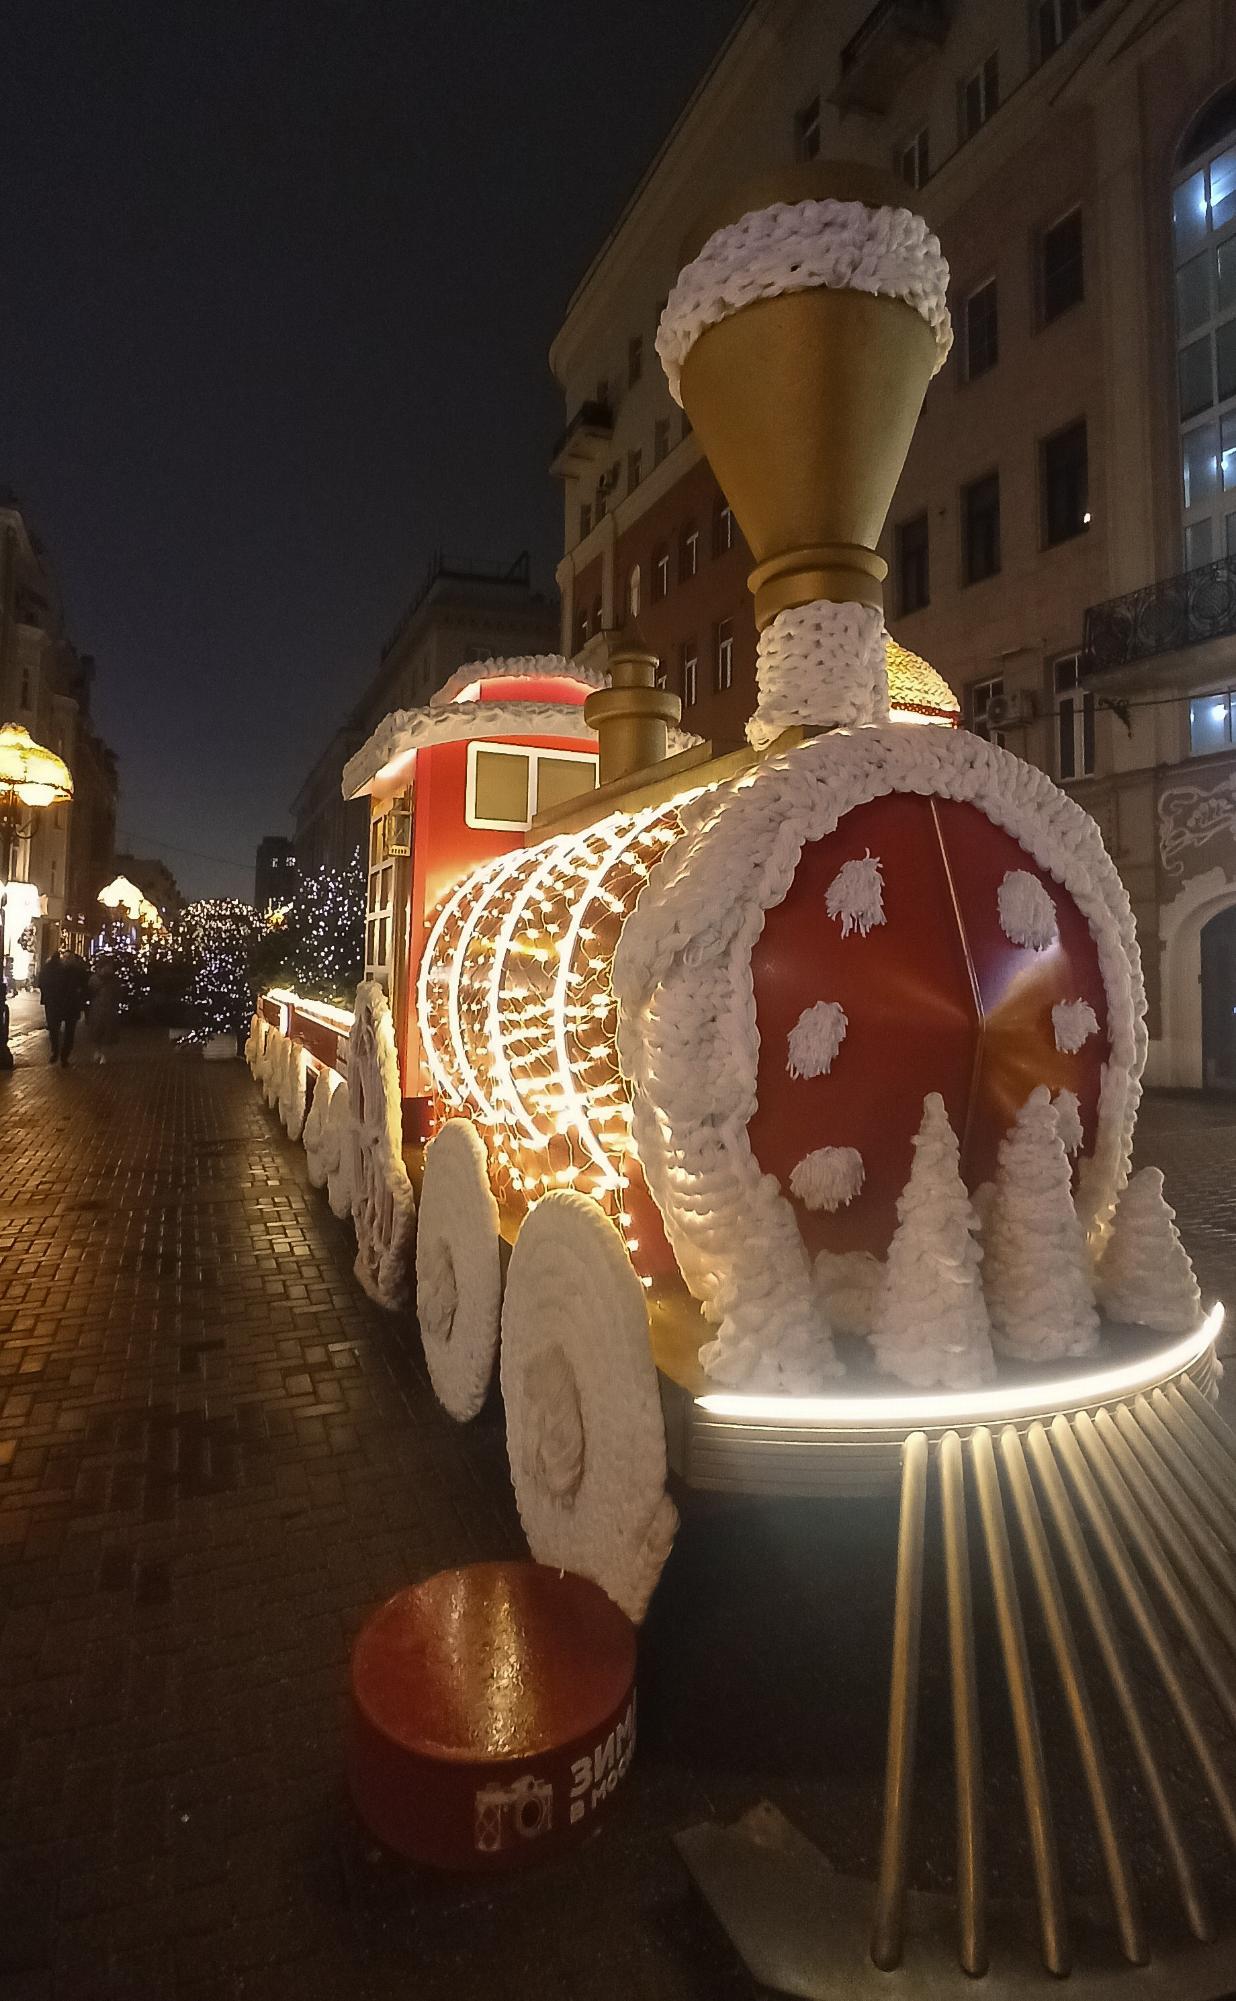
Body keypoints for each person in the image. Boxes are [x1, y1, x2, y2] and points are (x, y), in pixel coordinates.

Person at [37, 948, 91, 1066]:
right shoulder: (54, 970)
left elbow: (86, 987)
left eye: (69, 958)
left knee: (69, 1033)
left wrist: (80, 998)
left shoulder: (78, 972)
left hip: (71, 1005)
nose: (66, 960)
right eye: (65, 957)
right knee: (54, 1030)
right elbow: (43, 982)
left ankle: (64, 1055)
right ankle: (56, 1051)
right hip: (56, 1005)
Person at [87, 958, 122, 1064]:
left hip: (108, 1008)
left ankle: (103, 1053)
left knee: (107, 1031)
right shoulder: (95, 979)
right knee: (98, 1030)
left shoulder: (113, 980)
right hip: (98, 1007)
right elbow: (90, 992)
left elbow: (118, 993)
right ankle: (98, 1051)